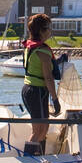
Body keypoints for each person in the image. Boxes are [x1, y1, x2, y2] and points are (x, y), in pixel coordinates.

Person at [21, 13, 61, 153]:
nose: (50, 31)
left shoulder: (30, 47)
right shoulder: (43, 51)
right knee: (39, 130)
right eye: (48, 28)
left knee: (43, 128)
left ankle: (39, 156)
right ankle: (29, 160)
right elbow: (48, 77)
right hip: (36, 91)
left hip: (30, 90)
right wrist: (55, 100)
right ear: (42, 31)